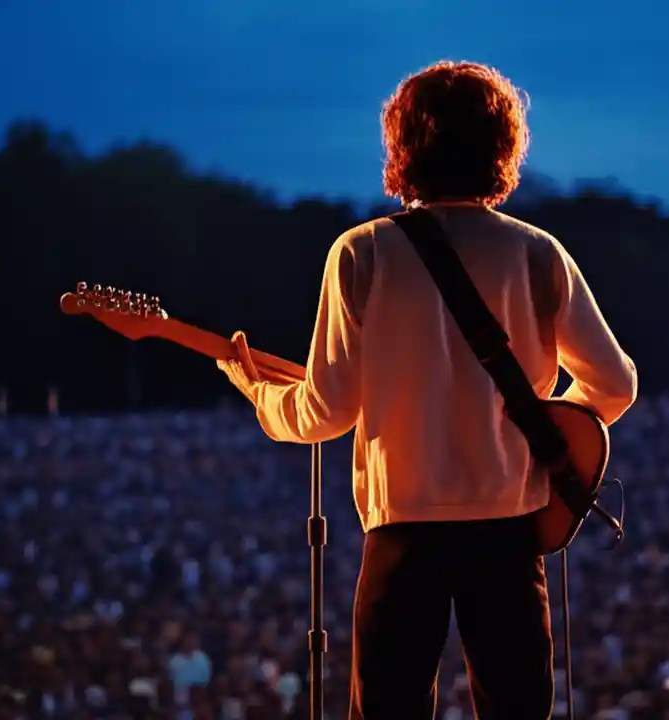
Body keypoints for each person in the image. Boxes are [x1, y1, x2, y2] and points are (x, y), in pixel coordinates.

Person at [217, 60, 638, 719]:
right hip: (509, 532)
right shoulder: (536, 253)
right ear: (504, 146)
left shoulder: (362, 253)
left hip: (403, 535)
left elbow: (326, 412)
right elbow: (614, 384)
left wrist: (257, 391)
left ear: (402, 146)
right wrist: (542, 428)